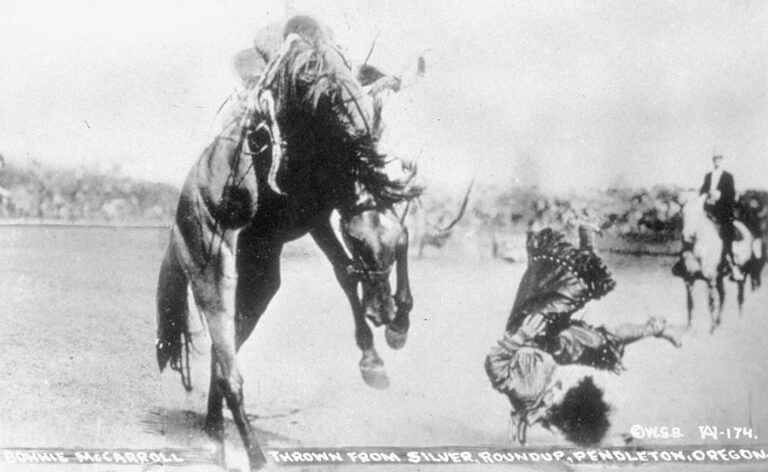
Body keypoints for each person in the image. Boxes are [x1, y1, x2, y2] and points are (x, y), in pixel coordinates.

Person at [485, 226, 682, 447]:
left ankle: (586, 235)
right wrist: (619, 441)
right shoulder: (552, 410)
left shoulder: (527, 392)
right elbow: (575, 431)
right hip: (551, 346)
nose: (559, 390)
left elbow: (493, 363)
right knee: (602, 343)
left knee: (575, 283)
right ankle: (655, 328)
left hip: (529, 327)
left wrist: (520, 336)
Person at [699, 151, 742, 280]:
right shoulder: (708, 176)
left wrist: (719, 195)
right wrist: (705, 196)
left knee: (726, 232)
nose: (717, 161)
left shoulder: (728, 177)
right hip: (709, 210)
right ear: (713, 161)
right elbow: (703, 190)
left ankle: (732, 265)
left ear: (722, 161)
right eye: (715, 159)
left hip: (723, 211)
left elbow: (731, 194)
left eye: (719, 159)